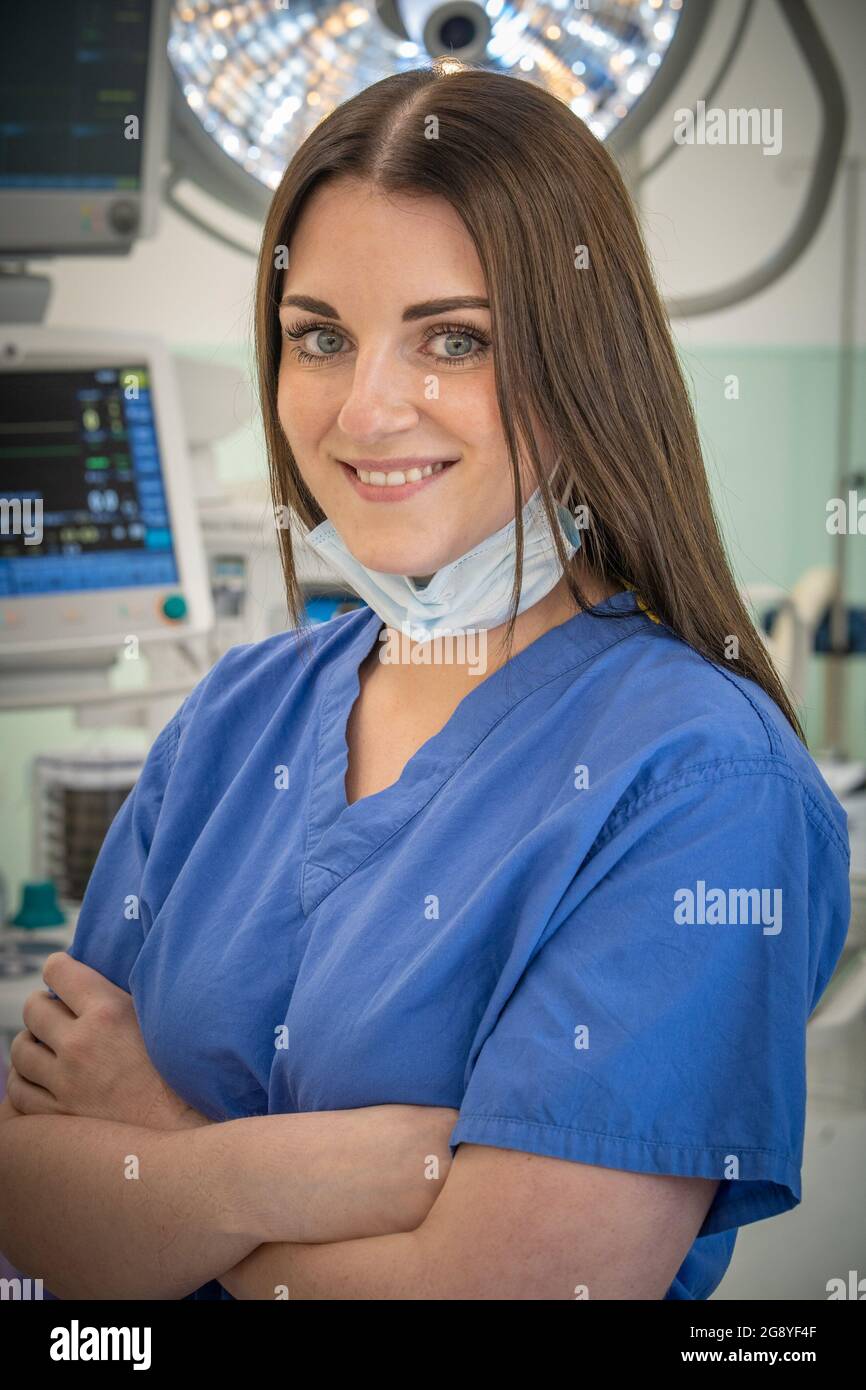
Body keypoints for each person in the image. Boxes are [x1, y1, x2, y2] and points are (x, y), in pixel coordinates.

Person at [0, 65, 850, 1301]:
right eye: (319, 338)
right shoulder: (239, 717)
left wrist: (163, 1137)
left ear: (581, 366)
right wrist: (328, 1174)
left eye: (454, 339)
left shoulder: (702, 785)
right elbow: (35, 1192)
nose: (367, 407)